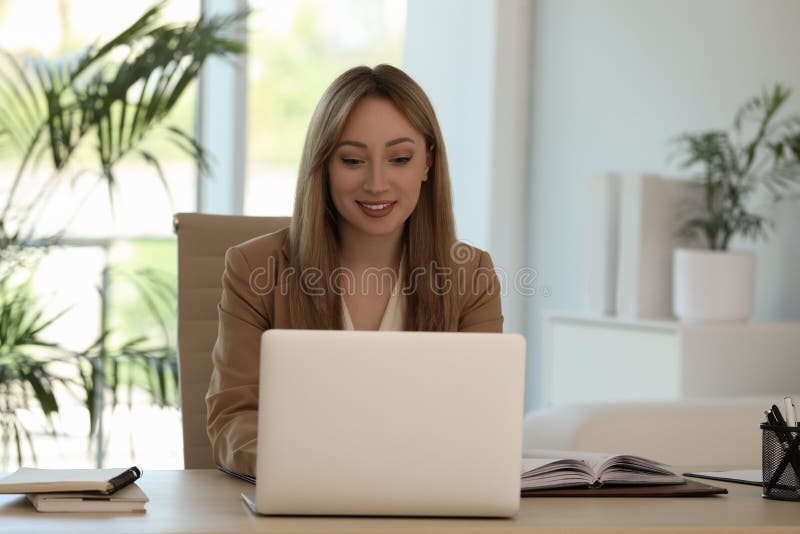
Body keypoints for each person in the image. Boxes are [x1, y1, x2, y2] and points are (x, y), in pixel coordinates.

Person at [206, 64, 503, 476]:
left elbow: (481, 421)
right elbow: (233, 421)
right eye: (352, 160)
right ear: (324, 164)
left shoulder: (473, 277)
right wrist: (316, 466)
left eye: (400, 158)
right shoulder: (254, 269)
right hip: (301, 503)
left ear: (428, 163)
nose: (377, 183)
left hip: (424, 503)